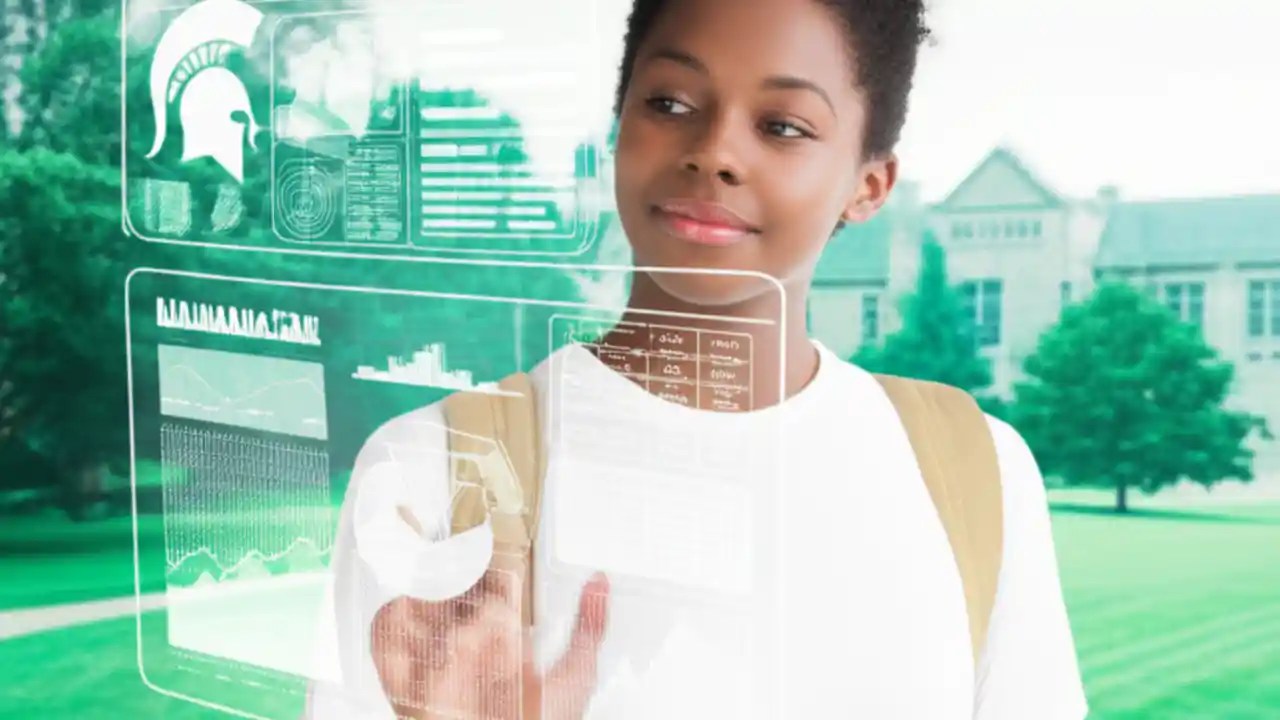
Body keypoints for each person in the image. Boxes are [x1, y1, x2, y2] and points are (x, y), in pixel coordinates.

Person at [305, 0, 1089, 717]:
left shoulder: (977, 470)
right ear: (618, 125)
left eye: (783, 125)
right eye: (670, 104)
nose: (713, 153)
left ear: (870, 183)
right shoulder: (432, 468)